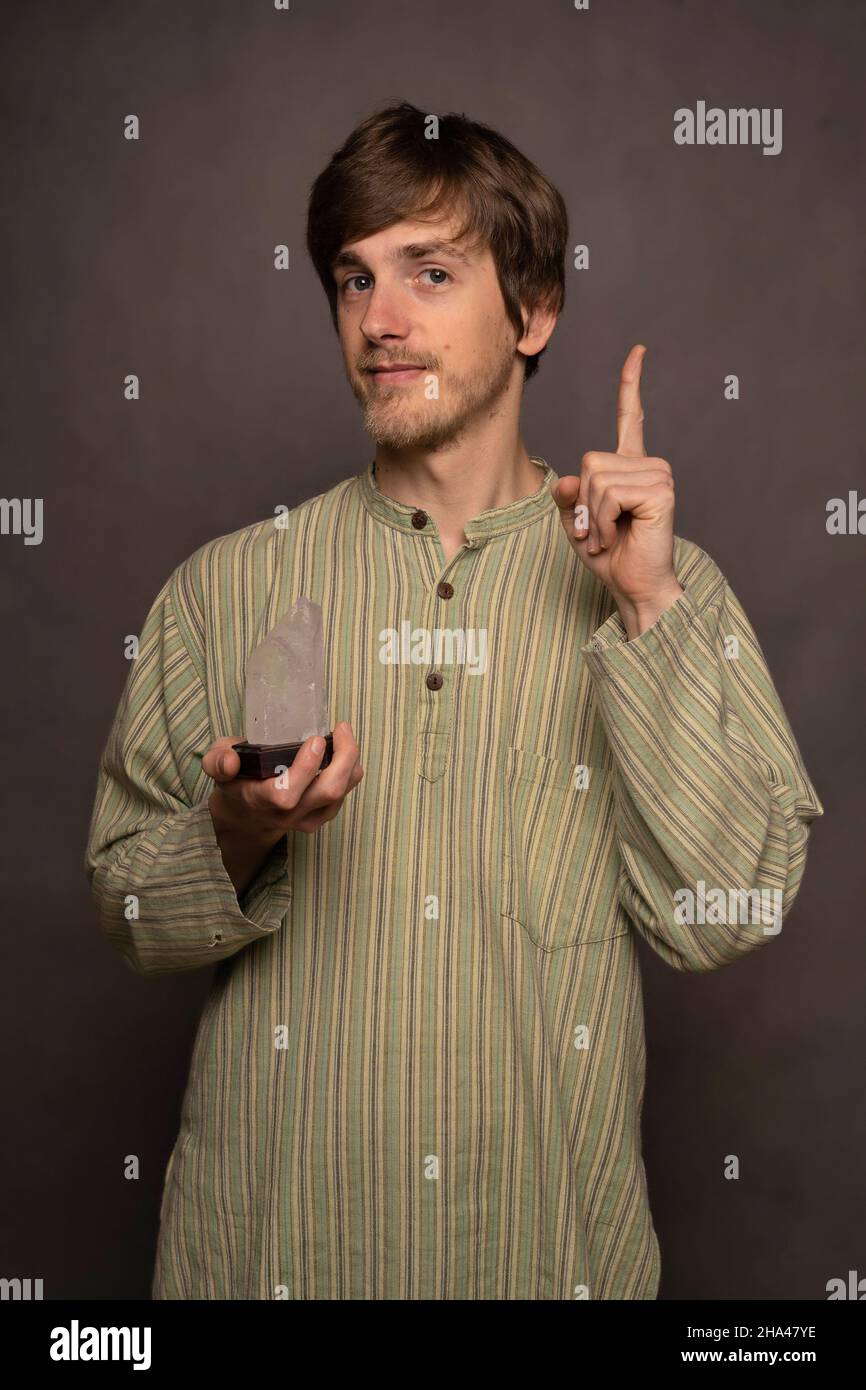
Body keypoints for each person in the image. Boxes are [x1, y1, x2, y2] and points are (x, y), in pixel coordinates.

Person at [84, 100, 824, 1300]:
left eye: (430, 272)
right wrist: (237, 833)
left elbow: (724, 910)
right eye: (352, 279)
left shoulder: (663, 590)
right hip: (266, 1265)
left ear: (532, 313)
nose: (380, 320)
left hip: (541, 1266)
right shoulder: (224, 590)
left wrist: (646, 610)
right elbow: (122, 907)